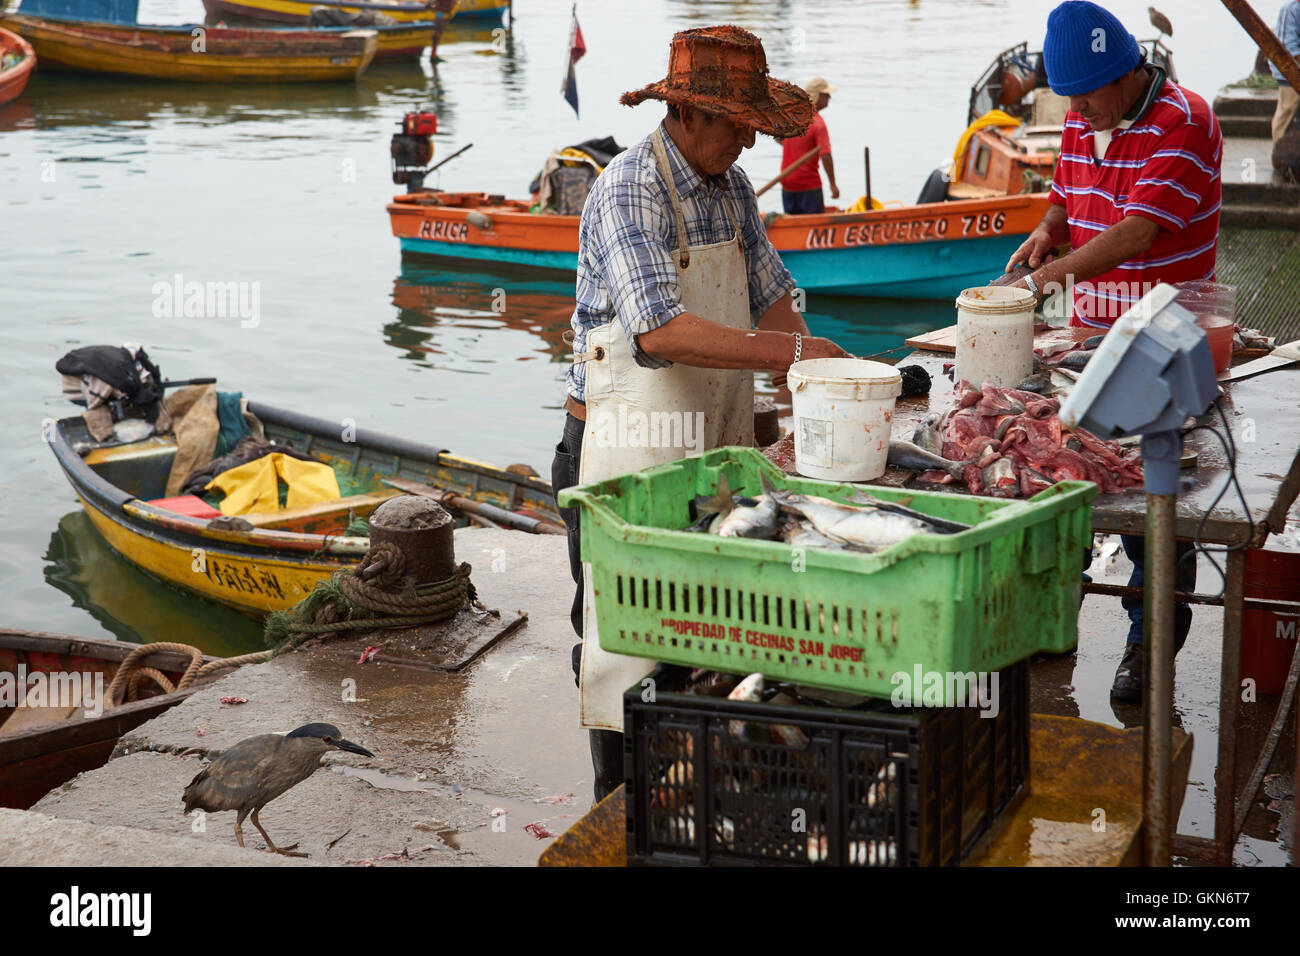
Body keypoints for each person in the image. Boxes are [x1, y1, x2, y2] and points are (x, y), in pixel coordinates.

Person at [550, 25, 851, 800]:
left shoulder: (732, 190)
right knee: (626, 641)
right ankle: (617, 809)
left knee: (714, 629)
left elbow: (773, 301)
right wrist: (786, 358)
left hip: (710, 451)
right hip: (621, 452)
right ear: (688, 115)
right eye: (738, 124)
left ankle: (695, 797)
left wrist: (819, 389)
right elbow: (660, 331)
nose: (750, 141)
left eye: (756, 124)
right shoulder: (628, 188)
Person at [1004, 1, 1221, 704]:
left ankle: (1150, 637)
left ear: (1125, 73)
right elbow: (1066, 193)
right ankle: (1050, 618)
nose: (1078, 109)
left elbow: (1136, 232)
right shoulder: (1082, 115)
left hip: (1164, 339)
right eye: (1070, 98)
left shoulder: (1183, 121)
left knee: (1151, 495)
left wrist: (1041, 280)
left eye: (1088, 94)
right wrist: (1045, 231)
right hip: (1086, 336)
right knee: (1058, 472)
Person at [779, 77, 840, 214]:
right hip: (808, 185)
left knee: (793, 225)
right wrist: (833, 184)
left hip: (787, 183)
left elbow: (778, 137)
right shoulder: (818, 123)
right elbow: (826, 155)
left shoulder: (792, 118)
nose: (829, 97)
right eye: (826, 94)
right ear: (816, 96)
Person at [1271, 1, 1300, 145]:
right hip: (1288, 70)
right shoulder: (1290, 10)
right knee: (1287, 109)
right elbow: (1287, 45)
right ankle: (1279, 149)